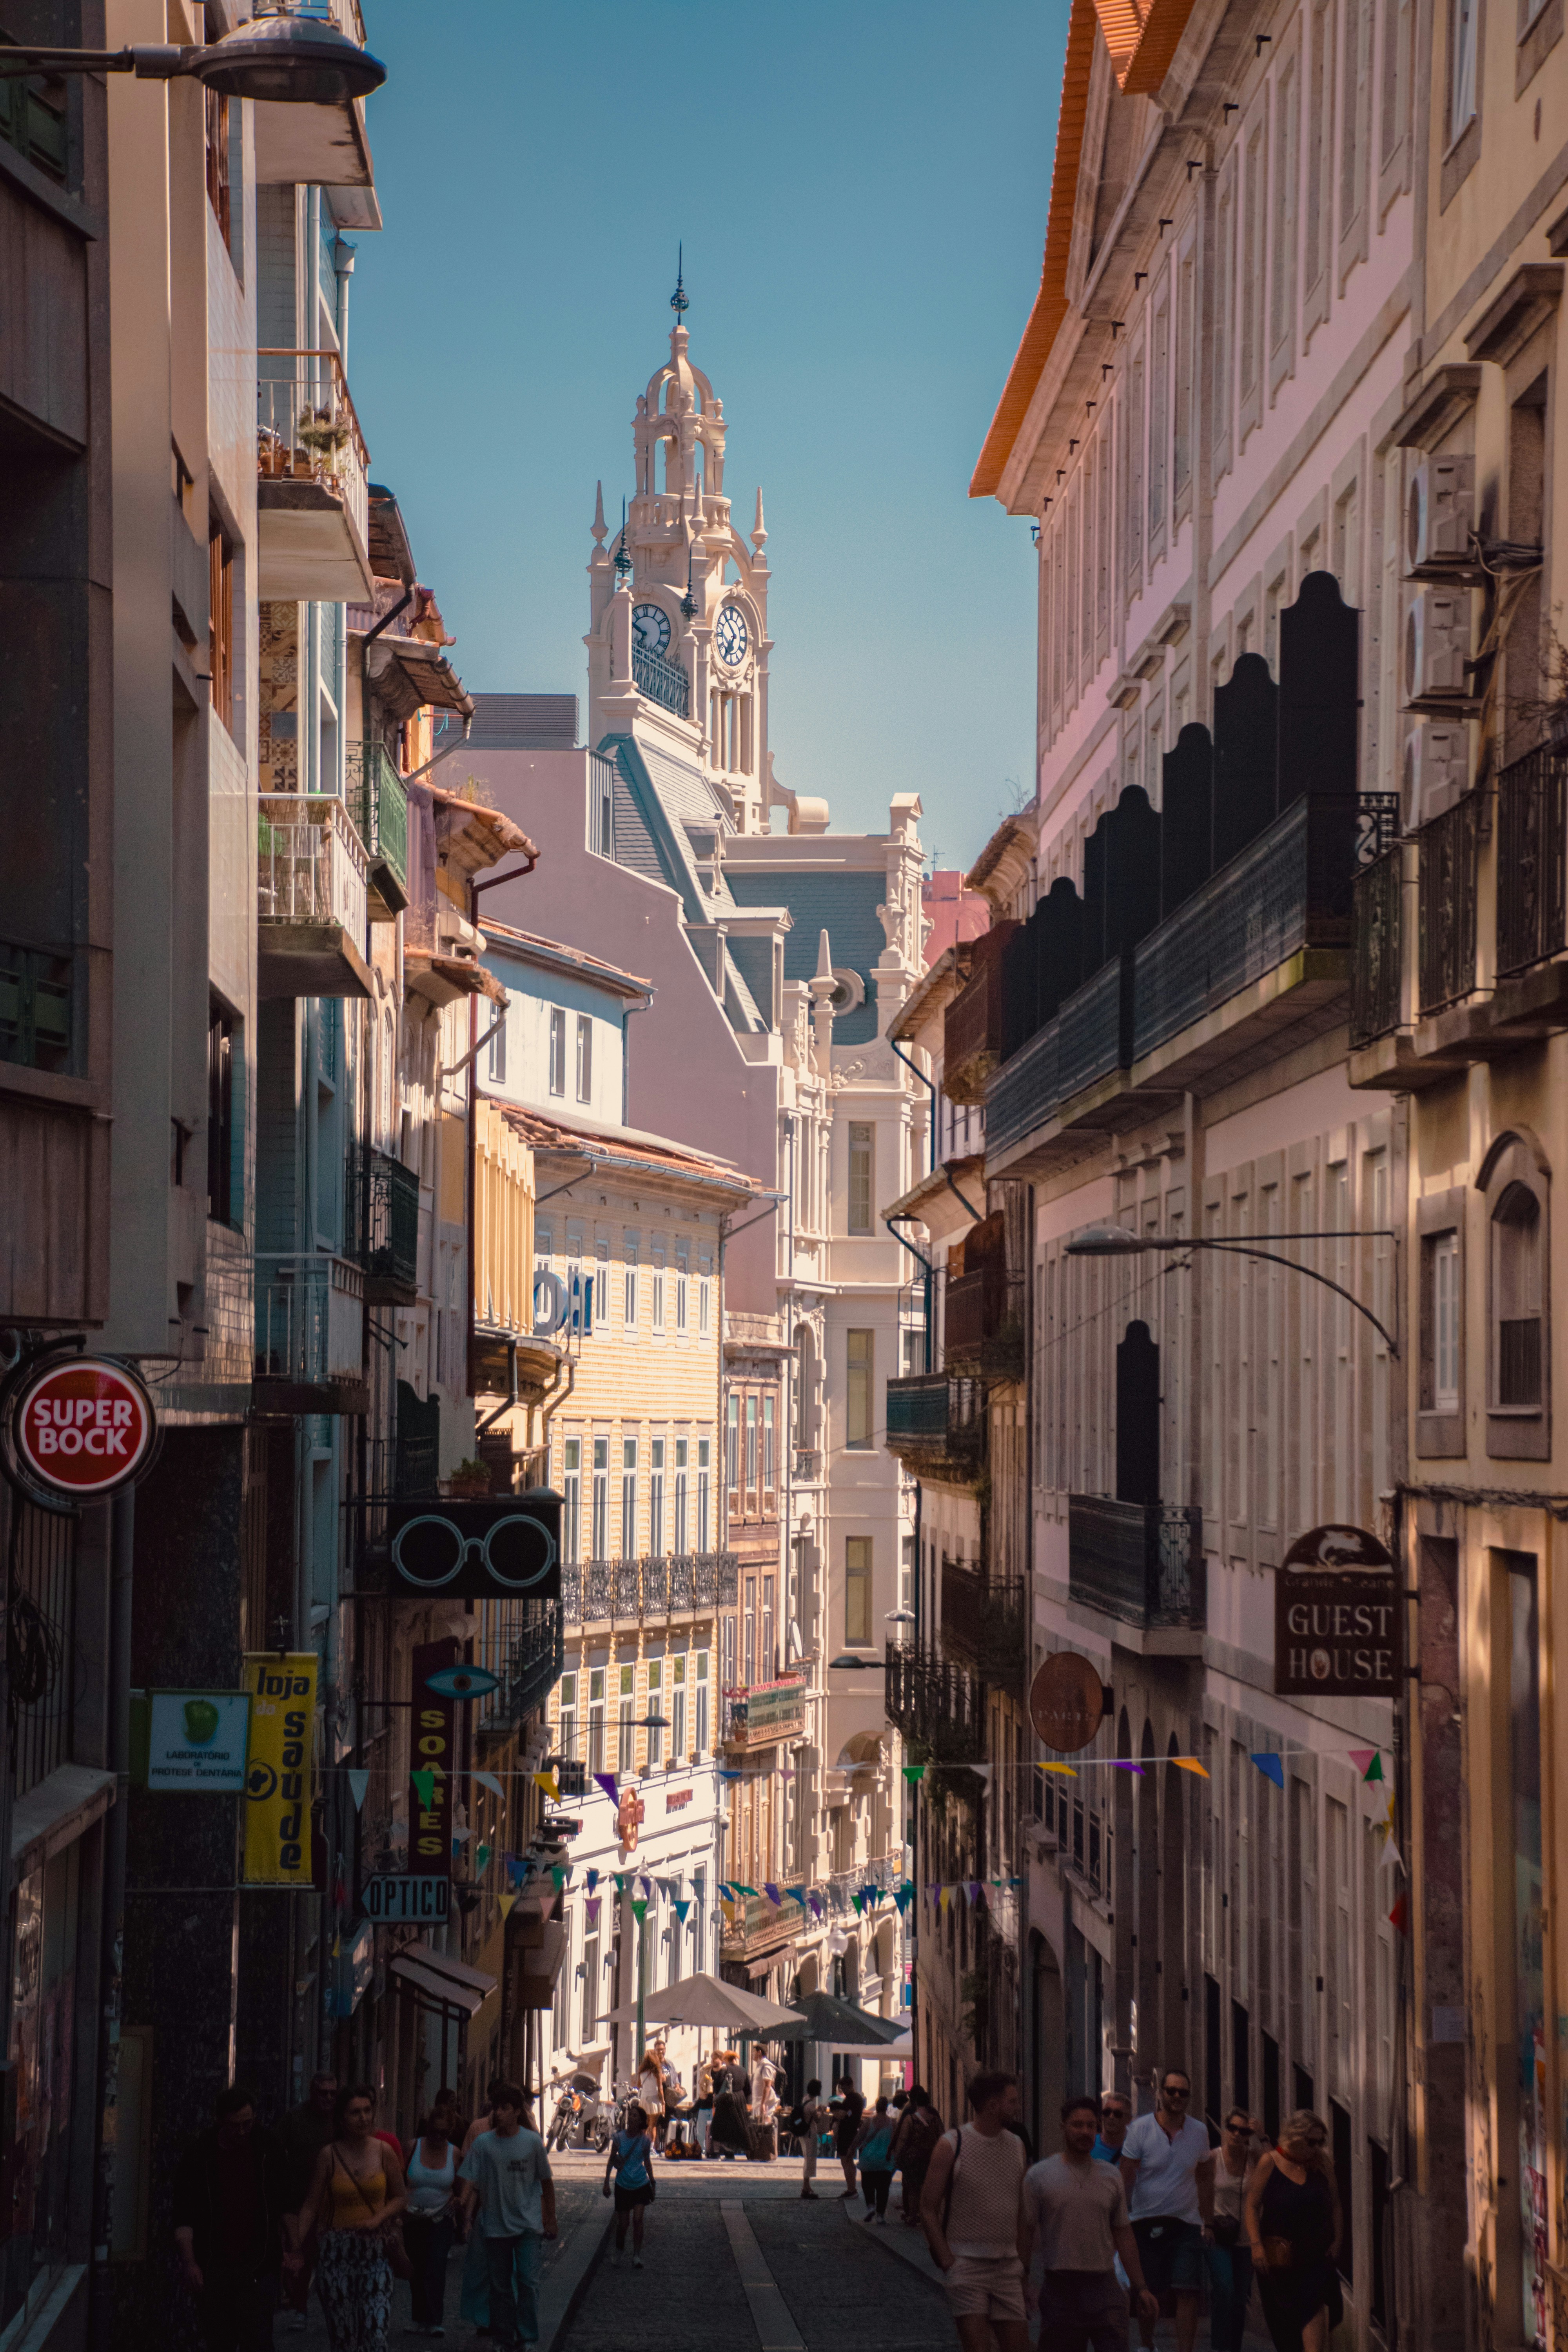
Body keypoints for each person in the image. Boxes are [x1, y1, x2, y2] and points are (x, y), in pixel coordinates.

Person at [1020, 2094, 1160, 2352]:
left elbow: (1123, 2234)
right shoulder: (1040, 2177)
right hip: (1061, 2287)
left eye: (1090, 2126)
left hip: (1104, 2285)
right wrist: (1023, 2283)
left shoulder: (1111, 2177)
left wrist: (1140, 2287)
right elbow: (1026, 2233)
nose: (1085, 2132)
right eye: (1077, 2125)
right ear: (1063, 2127)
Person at [288, 2083, 407, 2352]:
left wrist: (379, 2219)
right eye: (355, 2113)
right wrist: (296, 2247)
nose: (363, 2118)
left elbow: (401, 2197)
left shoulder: (383, 2151)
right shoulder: (328, 2156)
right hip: (336, 2252)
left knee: (376, 2337)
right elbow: (310, 2205)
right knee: (343, 2338)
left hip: (375, 2251)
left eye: (367, 2111)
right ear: (341, 2118)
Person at [173, 2083, 288, 2352]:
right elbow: (184, 2213)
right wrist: (190, 2263)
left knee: (258, 2340)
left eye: (247, 2124)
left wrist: (292, 2251)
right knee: (220, 2340)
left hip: (259, 2266)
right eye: (234, 2125)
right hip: (216, 2267)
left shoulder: (266, 2147)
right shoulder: (200, 2153)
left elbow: (284, 2202)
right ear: (220, 2121)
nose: (241, 2132)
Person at [920, 2071, 1030, 2352]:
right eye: (1012, 2101)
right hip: (967, 2265)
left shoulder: (1017, 2146)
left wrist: (1023, 2266)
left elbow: (1022, 2210)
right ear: (993, 2105)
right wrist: (948, 2259)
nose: (1017, 2107)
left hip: (1007, 2267)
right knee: (978, 2348)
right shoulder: (952, 2144)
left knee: (1018, 2345)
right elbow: (928, 2207)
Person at [1119, 2068, 1216, 2352]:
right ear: (1160, 2094)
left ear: (1188, 2097)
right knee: (1150, 2291)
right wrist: (1119, 2219)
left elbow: (1205, 2177)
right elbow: (1126, 2175)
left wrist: (1208, 2222)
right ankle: (1148, 2345)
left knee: (1188, 2290)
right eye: (1171, 2091)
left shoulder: (1199, 2132)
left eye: (1182, 2092)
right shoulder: (1140, 2130)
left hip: (1185, 2223)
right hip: (1145, 2221)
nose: (1176, 2097)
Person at [457, 2082, 558, 2349]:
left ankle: (526, 2336)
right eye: (495, 2108)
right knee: (499, 2287)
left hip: (527, 2226)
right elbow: (469, 2178)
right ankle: (503, 2338)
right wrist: (461, 2202)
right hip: (496, 2226)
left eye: (504, 2108)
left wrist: (550, 2218)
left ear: (516, 2112)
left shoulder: (532, 2142)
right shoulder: (484, 2144)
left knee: (527, 2282)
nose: (498, 2114)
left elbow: (547, 2183)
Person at [1244, 2111, 1343, 2352]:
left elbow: (1336, 2204)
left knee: (1313, 2313)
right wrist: (1256, 2245)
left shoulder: (1322, 2165)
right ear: (1295, 2137)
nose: (1317, 2147)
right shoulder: (1270, 2163)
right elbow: (1252, 2206)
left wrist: (1338, 2240)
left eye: (1321, 2142)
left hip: (1316, 2259)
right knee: (1285, 2334)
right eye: (1312, 2142)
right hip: (1279, 2262)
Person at [276, 2071, 338, 2334]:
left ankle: (335, 2310)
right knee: (301, 2254)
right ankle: (300, 2308)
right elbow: (279, 2152)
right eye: (323, 2092)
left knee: (334, 2259)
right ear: (313, 2092)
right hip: (301, 2199)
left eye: (332, 2093)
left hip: (334, 2199)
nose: (328, 2098)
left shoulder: (340, 2119)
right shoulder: (294, 2118)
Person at [403, 2109, 461, 2338]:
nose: (438, 2137)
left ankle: (435, 2320)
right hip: (412, 2217)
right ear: (427, 2130)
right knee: (416, 2268)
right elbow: (398, 2179)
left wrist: (459, 2204)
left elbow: (463, 2184)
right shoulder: (412, 2147)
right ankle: (419, 2318)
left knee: (436, 2267)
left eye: (444, 2133)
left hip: (441, 2219)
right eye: (434, 2132)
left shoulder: (454, 2153)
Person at [1208, 2109, 1263, 2352]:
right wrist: (1206, 2224)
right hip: (1217, 2235)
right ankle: (1220, 2347)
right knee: (1225, 2290)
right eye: (1233, 2128)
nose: (1237, 2134)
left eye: (1244, 2131)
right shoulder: (1212, 2159)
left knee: (1240, 2299)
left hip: (1245, 2238)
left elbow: (1278, 2168)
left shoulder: (1255, 2158)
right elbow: (1200, 2193)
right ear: (1225, 2128)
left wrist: (1263, 2137)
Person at [603, 2098, 656, 2267]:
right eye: (630, 2115)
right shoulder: (618, 2138)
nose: (630, 2118)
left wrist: (653, 2182)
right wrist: (606, 2182)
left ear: (640, 2121)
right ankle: (619, 2250)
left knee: (638, 2220)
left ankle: (637, 2255)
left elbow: (647, 2162)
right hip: (623, 2184)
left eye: (634, 2116)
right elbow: (612, 2160)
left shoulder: (645, 2141)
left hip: (641, 2183)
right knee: (623, 2224)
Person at [889, 2084, 942, 2228]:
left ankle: (912, 2216)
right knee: (927, 2188)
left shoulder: (911, 2119)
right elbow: (942, 2136)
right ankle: (927, 2217)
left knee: (913, 2189)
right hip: (931, 2157)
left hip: (913, 2158)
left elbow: (902, 2139)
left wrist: (897, 2155)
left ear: (916, 2102)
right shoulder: (935, 2118)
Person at [855, 2097, 898, 2224]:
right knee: (883, 2189)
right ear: (886, 2108)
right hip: (885, 2159)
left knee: (867, 2185)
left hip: (868, 2158)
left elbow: (860, 2137)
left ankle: (871, 2207)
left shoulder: (869, 2122)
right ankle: (880, 2216)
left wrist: (852, 2149)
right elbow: (896, 2141)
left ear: (877, 2107)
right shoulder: (893, 2123)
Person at [708, 2052, 750, 2160]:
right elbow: (748, 2090)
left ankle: (725, 2152)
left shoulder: (725, 2070)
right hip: (740, 2101)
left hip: (727, 2102)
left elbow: (718, 2087)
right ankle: (746, 2151)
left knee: (720, 2127)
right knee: (739, 2128)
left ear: (726, 2060)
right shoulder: (744, 2071)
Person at [831, 2071, 866, 2198]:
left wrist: (833, 2113)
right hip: (850, 2133)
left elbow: (841, 2115)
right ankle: (851, 2189)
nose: (844, 2091)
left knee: (846, 2162)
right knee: (848, 2161)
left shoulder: (852, 2099)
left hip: (847, 2134)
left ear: (851, 2086)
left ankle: (851, 2189)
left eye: (845, 2088)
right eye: (842, 2089)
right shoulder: (856, 2099)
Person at [750, 2042, 780, 2160]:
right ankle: (761, 2152)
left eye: (753, 2052)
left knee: (766, 2129)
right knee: (760, 2128)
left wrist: (763, 2103)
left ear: (759, 2052)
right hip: (758, 2102)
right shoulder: (760, 2065)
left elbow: (768, 2086)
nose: (752, 2055)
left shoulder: (766, 2066)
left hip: (765, 2103)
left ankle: (769, 2153)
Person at [798, 2078, 824, 2199]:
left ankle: (807, 2187)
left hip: (803, 2133)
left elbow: (807, 2113)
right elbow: (817, 2120)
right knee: (810, 2160)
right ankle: (806, 2187)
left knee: (806, 2159)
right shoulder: (812, 2104)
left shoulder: (805, 2099)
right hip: (810, 2133)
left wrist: (817, 2110)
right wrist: (822, 2112)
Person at [1092, 2093, 1130, 2170]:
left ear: (1129, 2119)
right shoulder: (1090, 2144)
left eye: (1118, 2114)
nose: (1111, 2117)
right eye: (1107, 2112)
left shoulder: (1134, 2147)